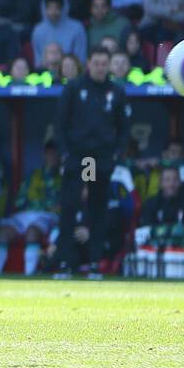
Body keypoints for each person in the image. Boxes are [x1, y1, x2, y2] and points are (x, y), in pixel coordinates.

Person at [54, 46, 131, 277]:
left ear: (108, 66)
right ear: (88, 63)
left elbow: (124, 128)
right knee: (69, 208)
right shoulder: (74, 88)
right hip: (78, 156)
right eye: (96, 63)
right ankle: (65, 263)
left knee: (97, 210)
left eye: (103, 63)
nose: (99, 67)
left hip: (102, 158)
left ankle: (96, 263)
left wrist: (116, 154)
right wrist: (65, 153)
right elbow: (60, 124)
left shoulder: (116, 92)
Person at [0, 141, 61, 275]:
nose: (52, 157)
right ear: (44, 155)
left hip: (47, 216)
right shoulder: (34, 175)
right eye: (49, 154)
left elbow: (65, 205)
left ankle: (29, 275)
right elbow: (19, 200)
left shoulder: (63, 177)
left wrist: (50, 206)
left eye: (55, 154)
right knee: (3, 232)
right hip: (26, 214)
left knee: (32, 231)